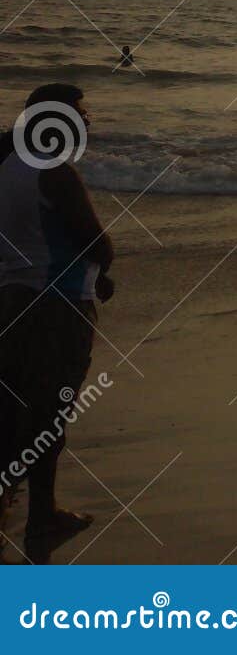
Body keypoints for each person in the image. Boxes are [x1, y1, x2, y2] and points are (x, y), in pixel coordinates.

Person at [0, 83, 114, 562]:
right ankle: (43, 514)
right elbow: (96, 243)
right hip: (58, 306)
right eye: (82, 114)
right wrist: (103, 271)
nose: (88, 122)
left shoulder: (7, 165)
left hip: (11, 300)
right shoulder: (56, 174)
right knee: (51, 413)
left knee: (13, 408)